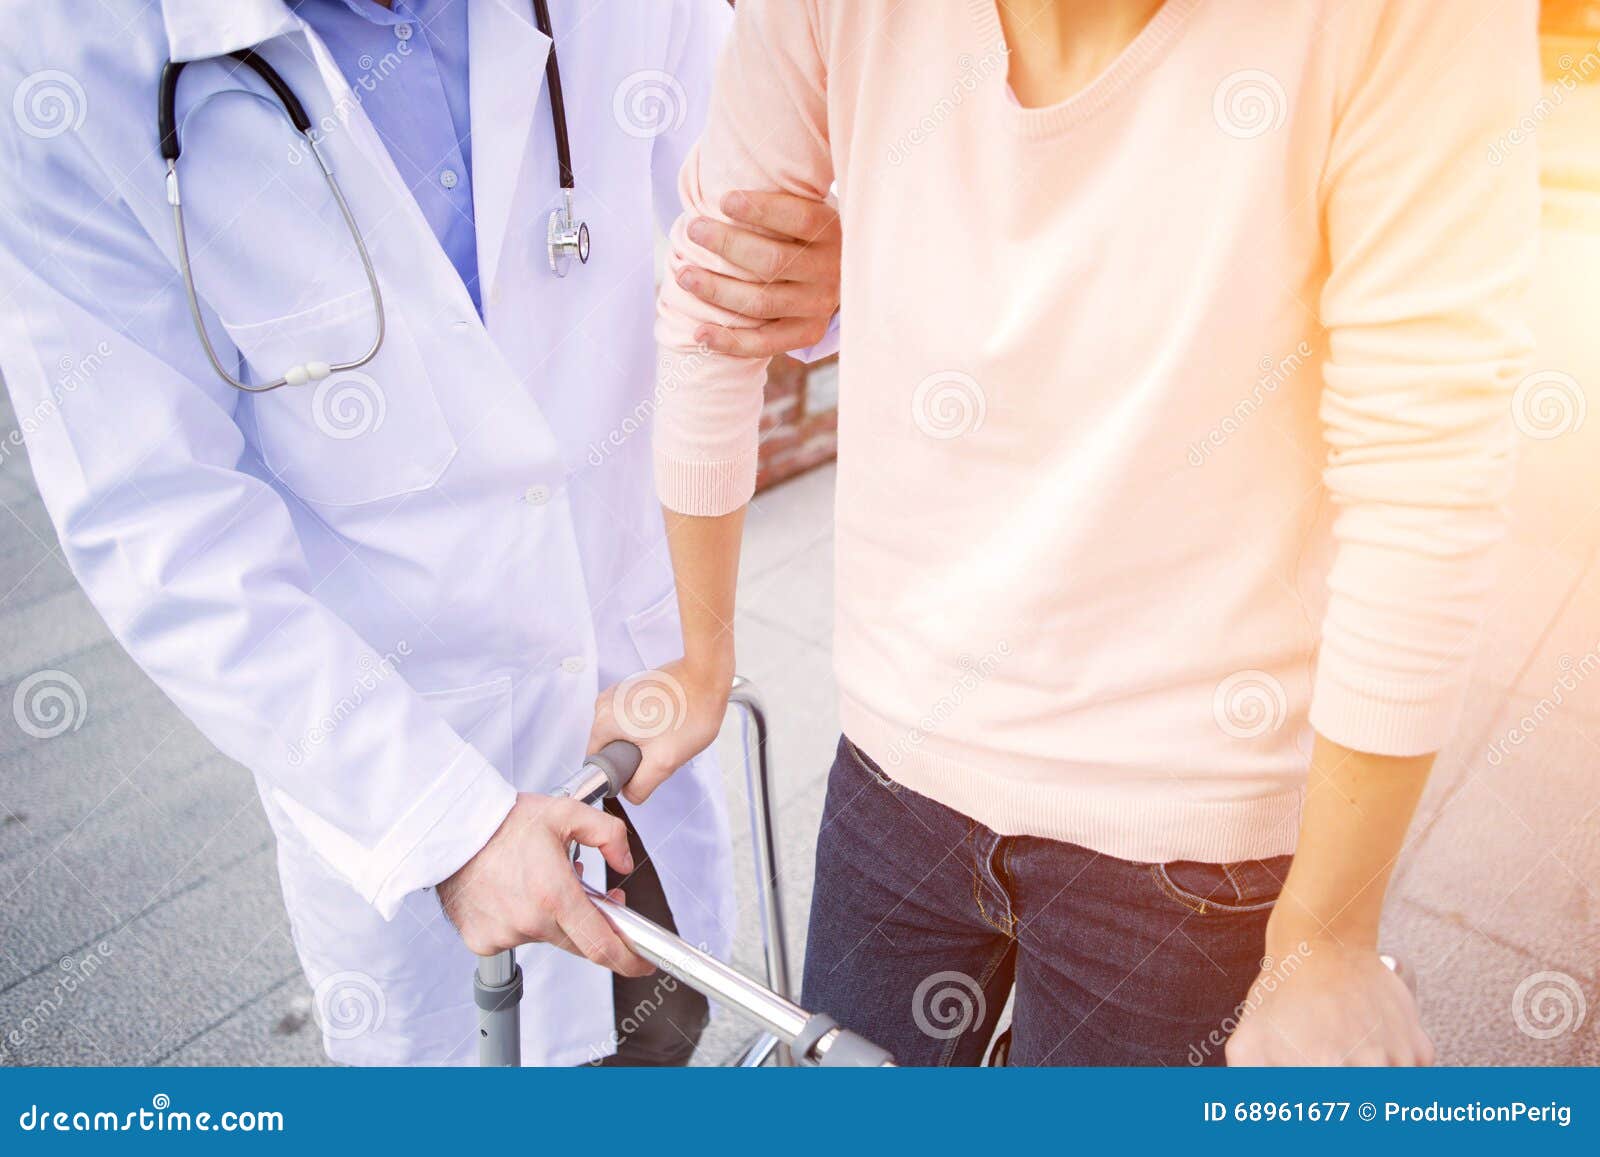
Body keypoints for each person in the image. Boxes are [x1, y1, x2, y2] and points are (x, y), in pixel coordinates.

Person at [590, 0, 1540, 1065]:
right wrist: (704, 653)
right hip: (896, 752)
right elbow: (718, 291)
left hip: (1190, 816)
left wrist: (1324, 931)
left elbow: (1424, 459)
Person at [0, 0, 840, 1066]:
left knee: (656, 1043)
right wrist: (443, 820)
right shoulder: (62, 57)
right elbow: (155, 514)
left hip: (636, 720)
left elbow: (755, 223)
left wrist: (821, 275)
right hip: (406, 755)